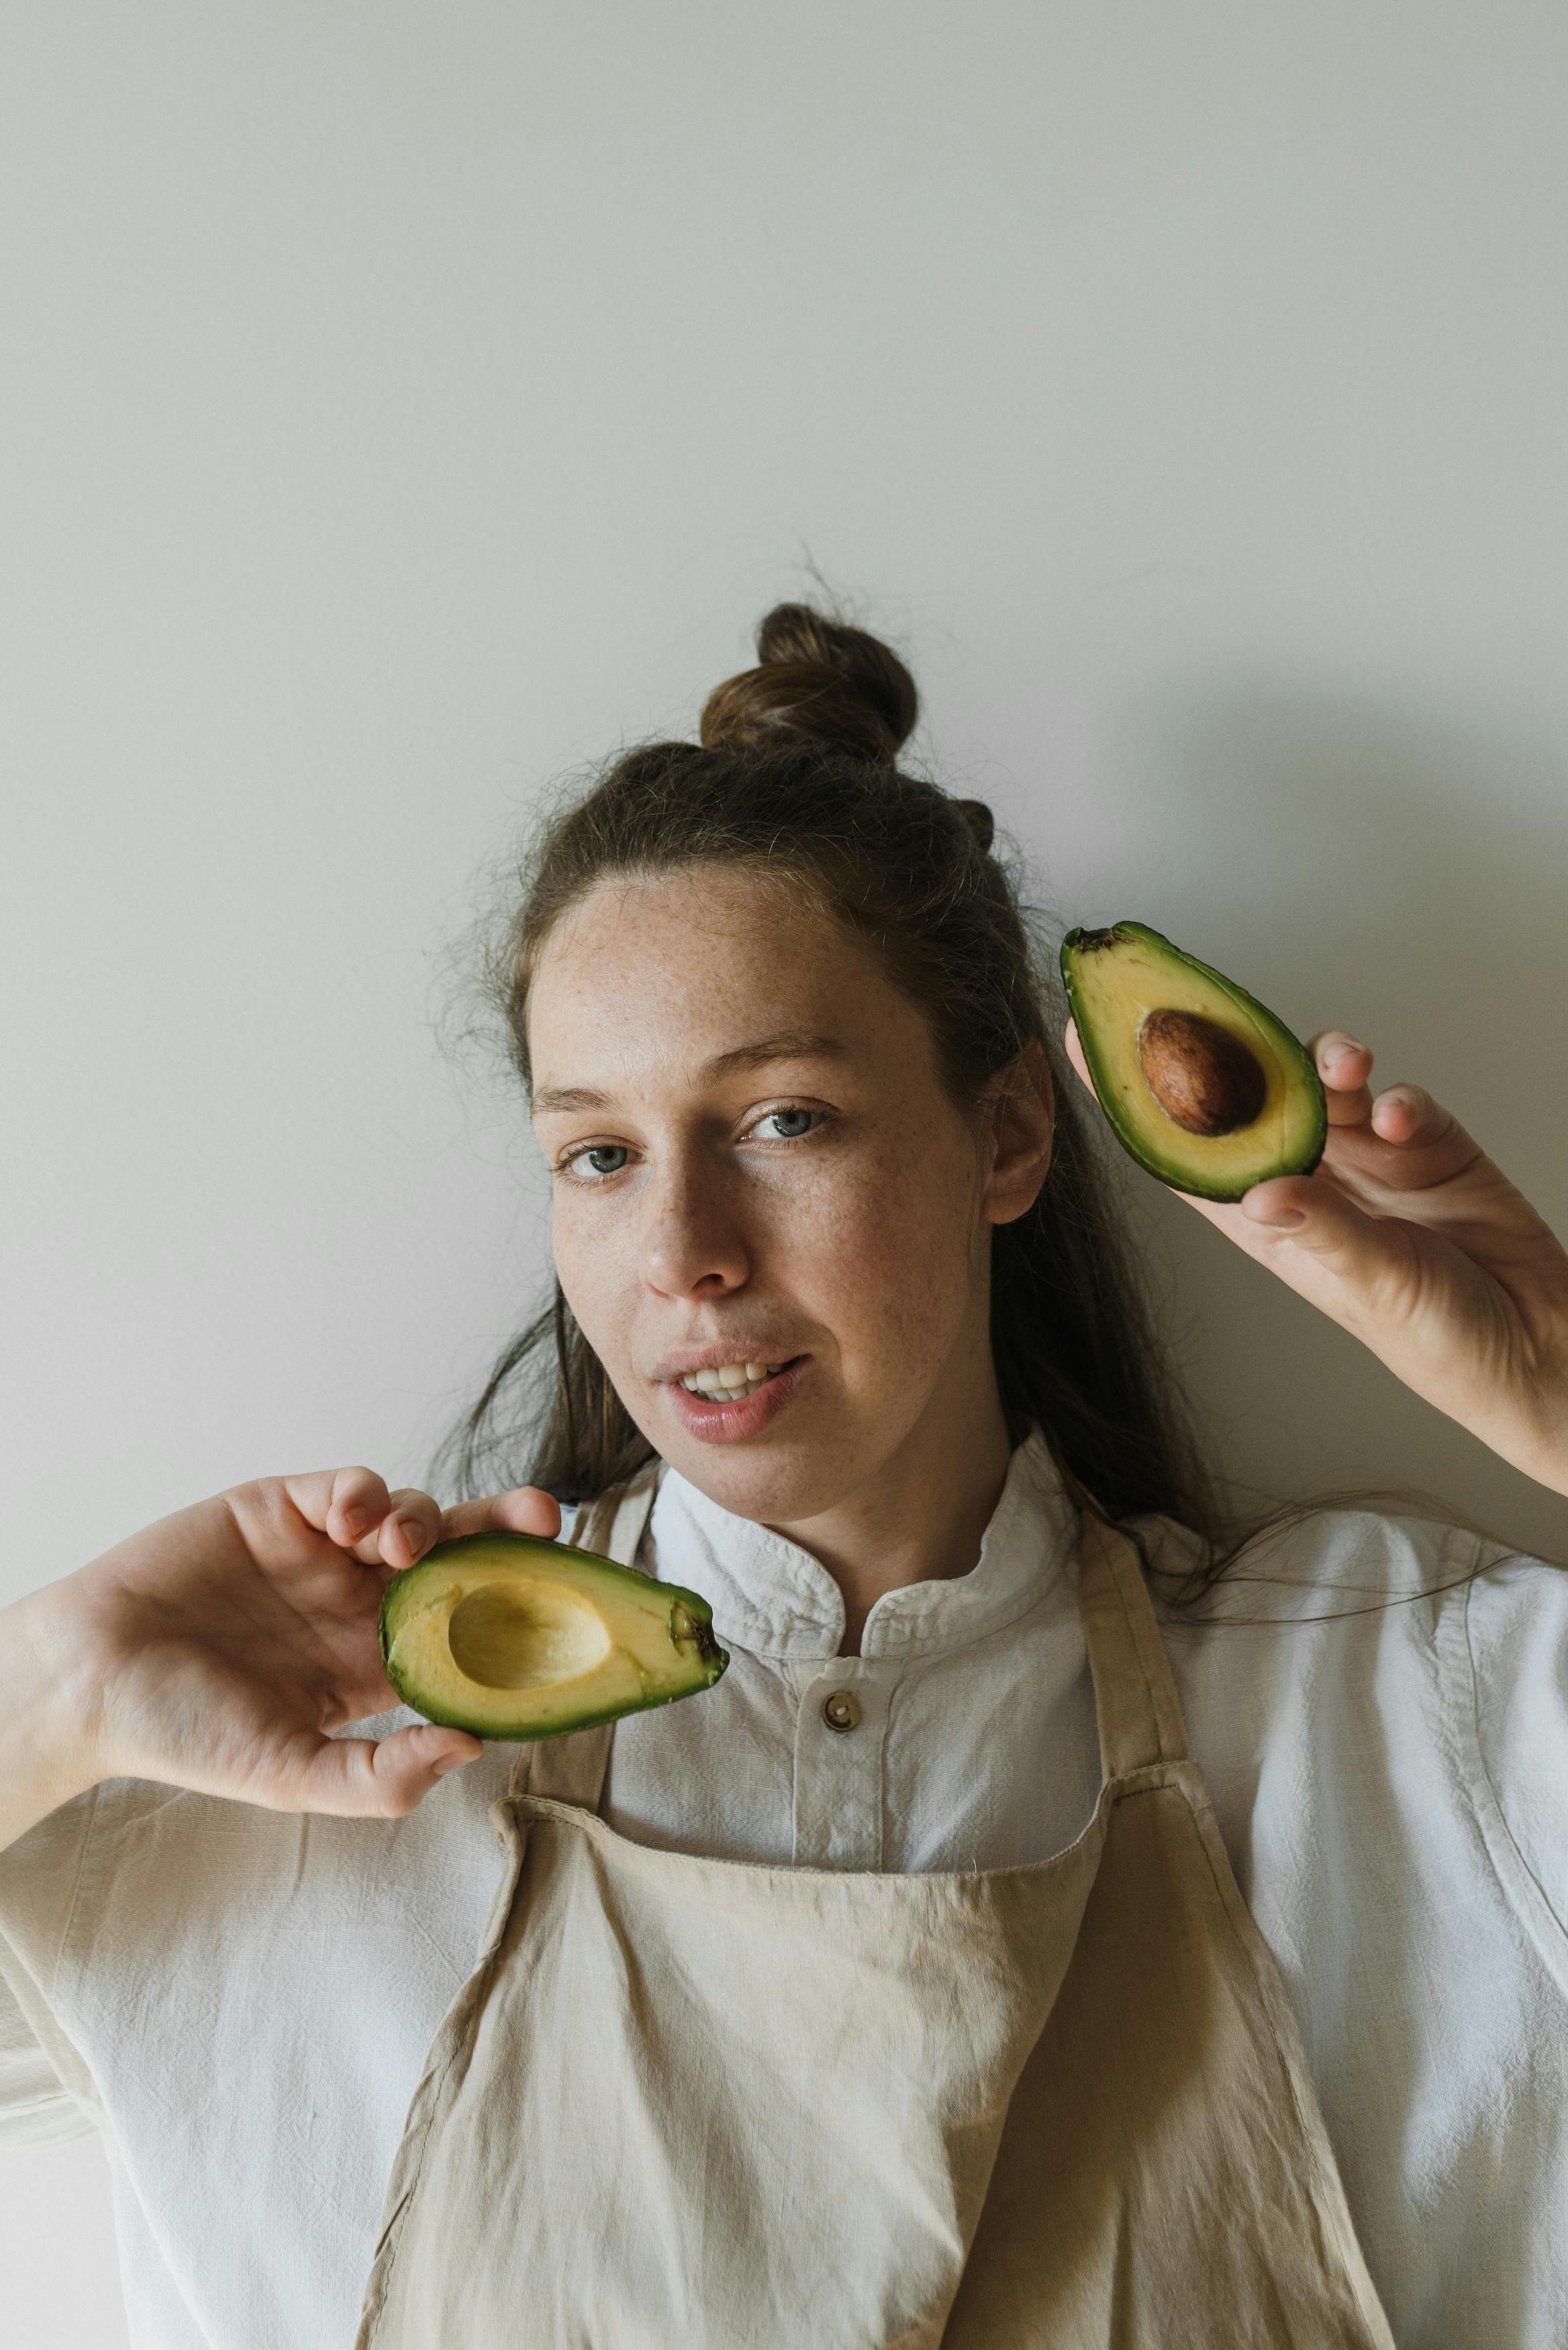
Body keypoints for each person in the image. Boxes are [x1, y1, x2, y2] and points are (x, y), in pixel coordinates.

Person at [2, 604, 1565, 2350]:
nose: (683, 1251)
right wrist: (54, 1686)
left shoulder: (1419, 1704)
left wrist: (1556, 1379)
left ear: (1008, 1133)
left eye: (783, 1119)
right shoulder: (289, 1775)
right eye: (598, 1151)